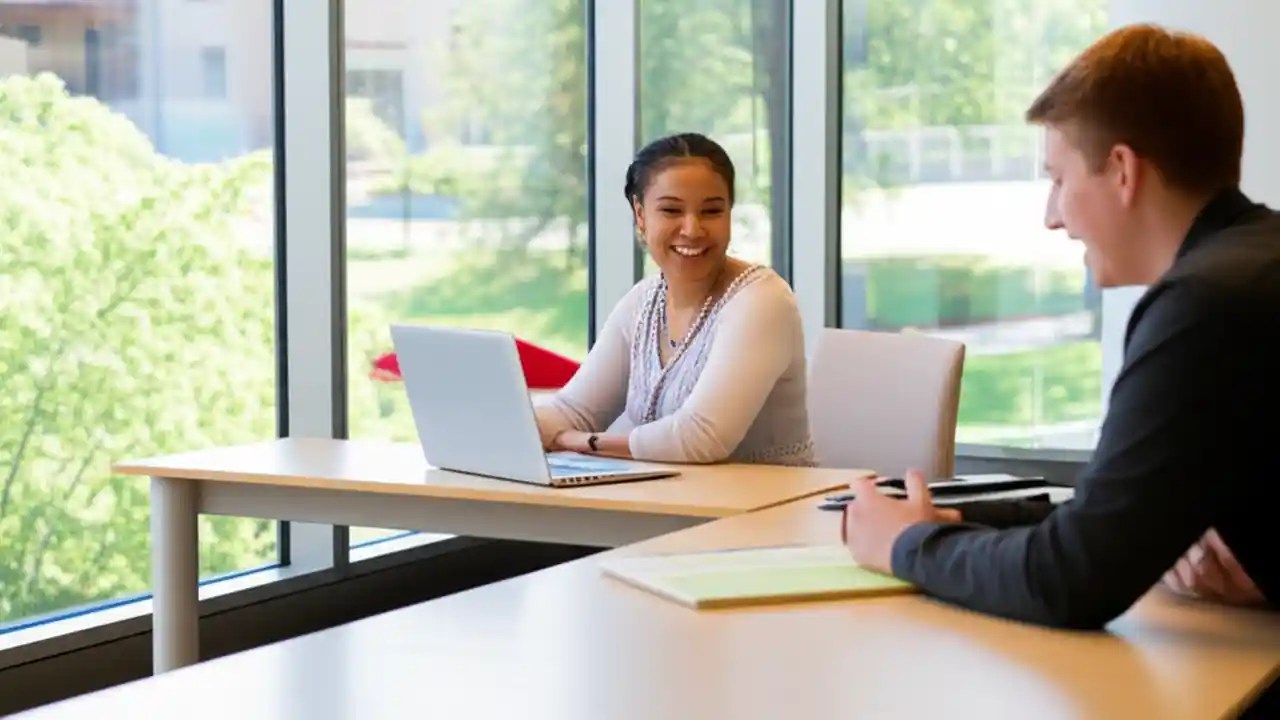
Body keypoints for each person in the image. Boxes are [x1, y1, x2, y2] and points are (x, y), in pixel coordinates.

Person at [842, 23, 1278, 630]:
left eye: (1058, 179)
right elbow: (1118, 517)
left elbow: (1073, 577)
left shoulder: (1205, 306)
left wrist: (905, 546)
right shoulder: (1257, 266)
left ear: (1123, 171)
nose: (1052, 217)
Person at [533, 132, 814, 466]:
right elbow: (574, 409)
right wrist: (510, 427)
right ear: (640, 214)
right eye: (671, 210)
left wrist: (578, 442)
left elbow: (701, 438)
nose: (692, 229)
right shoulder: (643, 303)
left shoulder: (762, 300)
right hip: (668, 504)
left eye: (711, 211)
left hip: (772, 509)